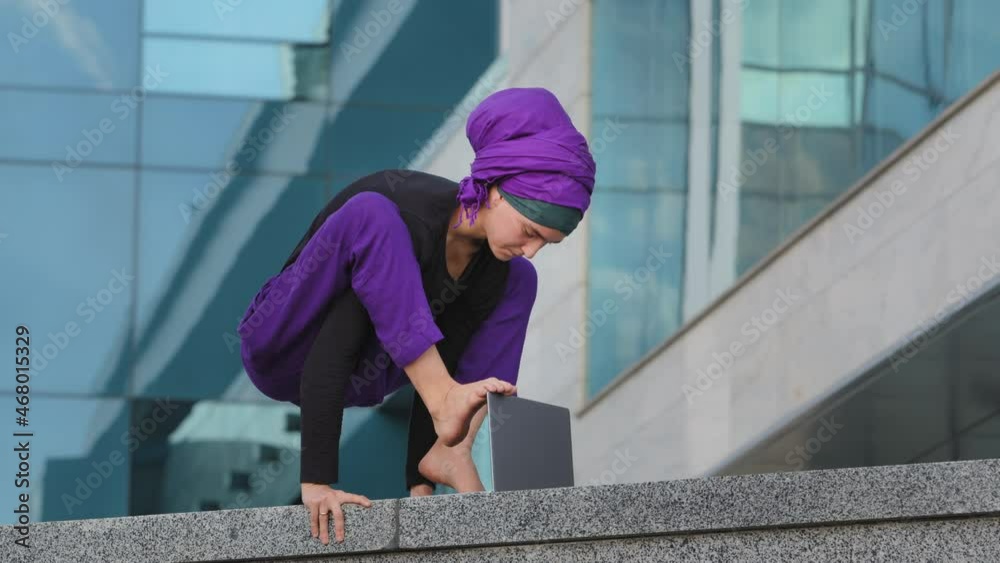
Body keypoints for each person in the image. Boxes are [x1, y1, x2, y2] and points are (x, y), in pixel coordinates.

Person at [236, 87, 596, 545]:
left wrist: (420, 475)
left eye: (547, 241)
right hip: (283, 341)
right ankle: (443, 402)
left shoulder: (492, 267)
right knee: (373, 218)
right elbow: (336, 333)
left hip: (367, 373)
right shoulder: (401, 207)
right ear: (497, 191)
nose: (532, 248)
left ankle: (451, 448)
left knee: (519, 279)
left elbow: (453, 343)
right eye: (530, 231)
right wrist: (317, 483)